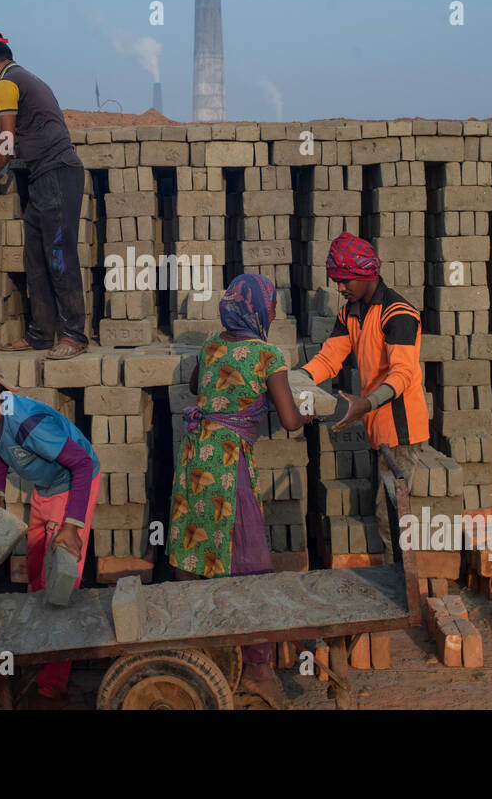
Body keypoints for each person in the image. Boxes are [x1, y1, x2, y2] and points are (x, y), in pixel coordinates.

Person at [168, 274, 313, 709]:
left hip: (194, 452)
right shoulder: (270, 354)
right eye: (270, 306)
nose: (272, 313)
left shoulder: (213, 344)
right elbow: (288, 420)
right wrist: (308, 408)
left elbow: (196, 386)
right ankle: (257, 670)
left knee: (193, 548)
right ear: (258, 311)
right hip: (227, 463)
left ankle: (194, 650)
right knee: (248, 557)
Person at [0, 348, 102, 704]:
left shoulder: (28, 421)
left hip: (74, 485)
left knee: (60, 582)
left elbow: (79, 465)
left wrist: (71, 526)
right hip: (47, 487)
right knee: (35, 569)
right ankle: (37, 646)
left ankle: (52, 683)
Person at [298, 232, 429, 562]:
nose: (340, 288)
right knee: (385, 509)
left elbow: (402, 374)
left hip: (400, 431)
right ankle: (397, 578)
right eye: (336, 281)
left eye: (345, 280)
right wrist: (296, 379)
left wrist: (365, 403)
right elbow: (330, 358)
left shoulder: (399, 313)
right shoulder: (351, 312)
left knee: (391, 515)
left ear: (367, 273)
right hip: (377, 425)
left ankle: (404, 591)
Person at [0, 29, 88, 360]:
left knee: (59, 254)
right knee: (35, 256)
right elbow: (19, 137)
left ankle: (74, 335)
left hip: (58, 174)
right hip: (43, 176)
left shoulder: (5, 84)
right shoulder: (26, 79)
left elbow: (6, 143)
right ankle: (40, 334)